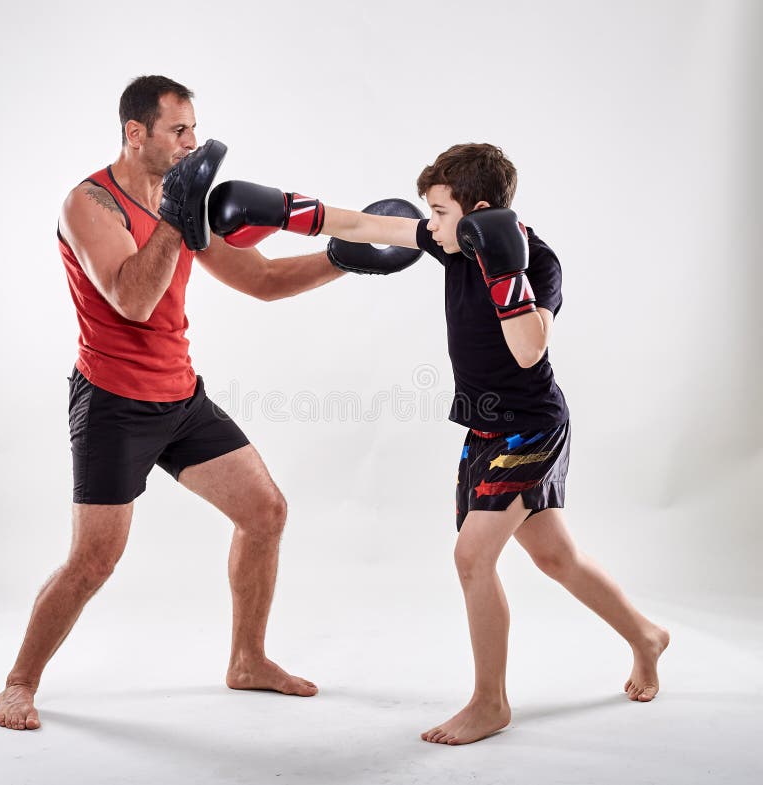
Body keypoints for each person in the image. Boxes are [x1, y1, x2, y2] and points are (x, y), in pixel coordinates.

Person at [0, 75, 420, 732]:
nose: (192, 142)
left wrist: (343, 258)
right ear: (136, 133)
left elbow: (263, 280)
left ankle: (247, 659)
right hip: (114, 403)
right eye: (178, 130)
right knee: (95, 560)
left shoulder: (180, 204)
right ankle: (19, 682)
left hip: (181, 397)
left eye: (194, 128)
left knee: (265, 512)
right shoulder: (89, 204)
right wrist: (175, 218)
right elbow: (132, 300)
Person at [206, 142, 671, 746]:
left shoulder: (536, 261)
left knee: (472, 557)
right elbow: (364, 225)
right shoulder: (450, 240)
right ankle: (646, 636)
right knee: (556, 557)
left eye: (440, 212)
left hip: (532, 427)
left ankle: (490, 703)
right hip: (485, 428)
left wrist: (504, 272)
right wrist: (280, 209)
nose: (430, 224)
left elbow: (529, 350)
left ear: (478, 214)